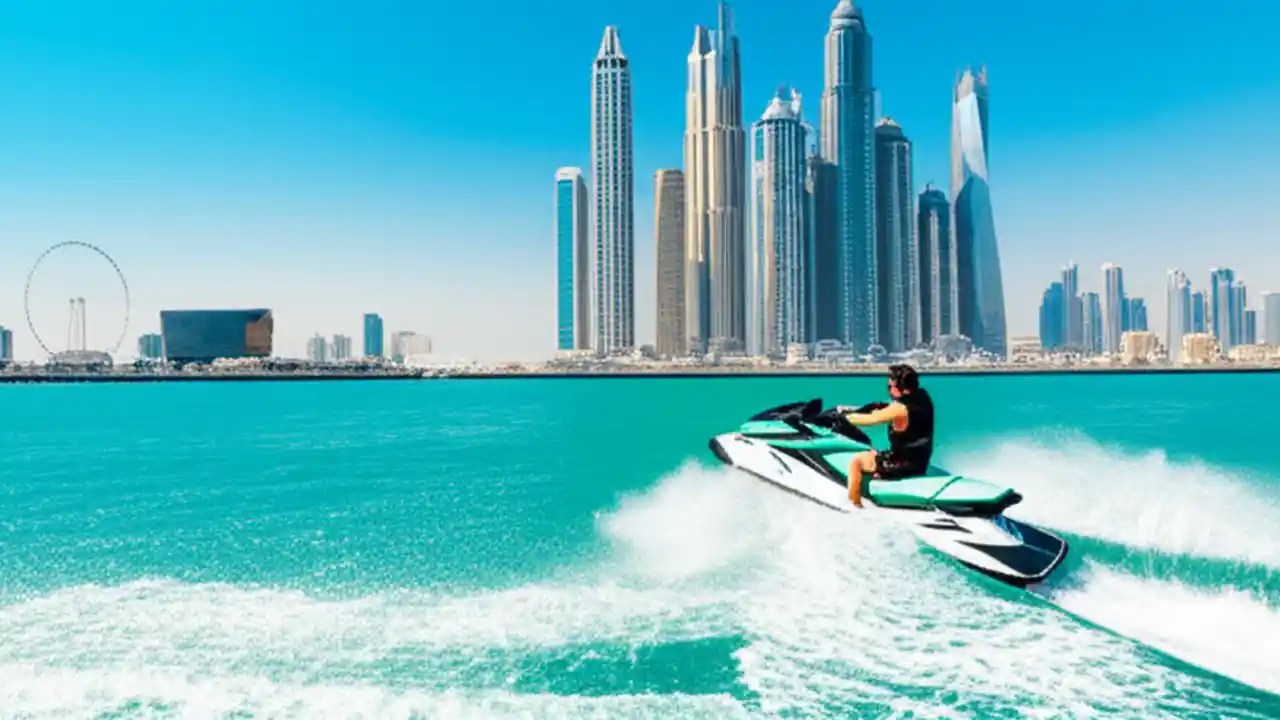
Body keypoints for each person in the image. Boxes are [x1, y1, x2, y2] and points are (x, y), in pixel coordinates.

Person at [839, 364, 934, 508]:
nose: (888, 390)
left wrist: (844, 417)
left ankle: (854, 505)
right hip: (919, 462)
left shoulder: (900, 409)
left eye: (890, 387)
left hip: (899, 465)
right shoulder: (923, 397)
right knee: (875, 454)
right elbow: (887, 410)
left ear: (902, 388)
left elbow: (872, 420)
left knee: (857, 461)